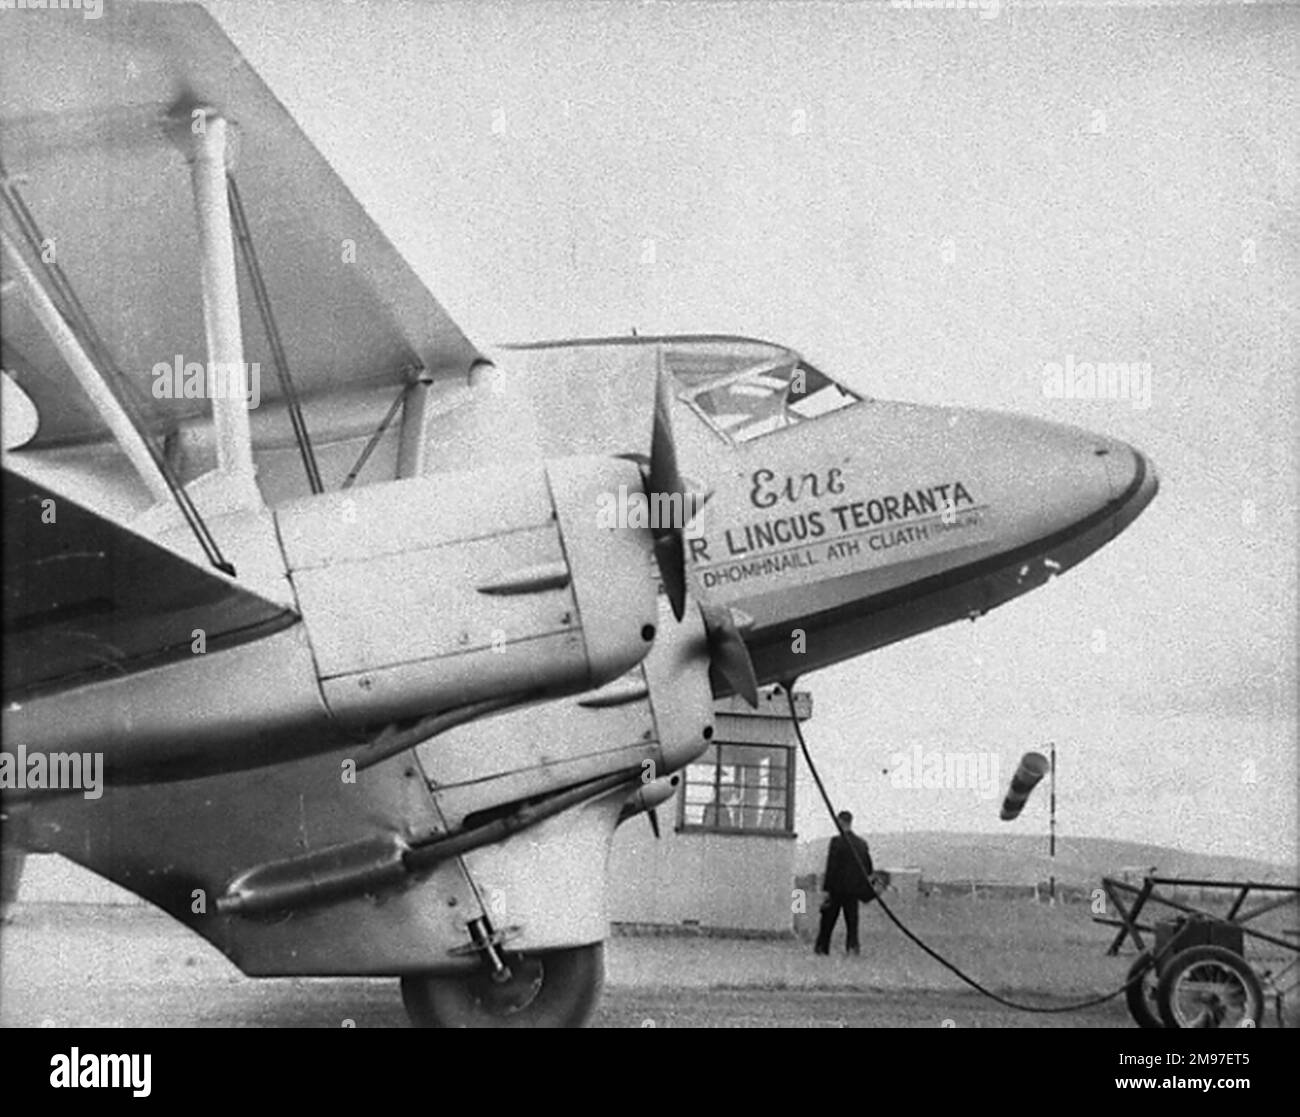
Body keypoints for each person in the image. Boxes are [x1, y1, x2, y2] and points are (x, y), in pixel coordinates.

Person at [814, 810, 875, 956]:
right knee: (852, 922)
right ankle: (853, 949)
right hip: (853, 891)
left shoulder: (836, 842)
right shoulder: (861, 844)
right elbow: (868, 868)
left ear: (841, 822)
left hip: (837, 889)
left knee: (828, 922)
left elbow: (831, 867)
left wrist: (826, 890)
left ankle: (822, 949)